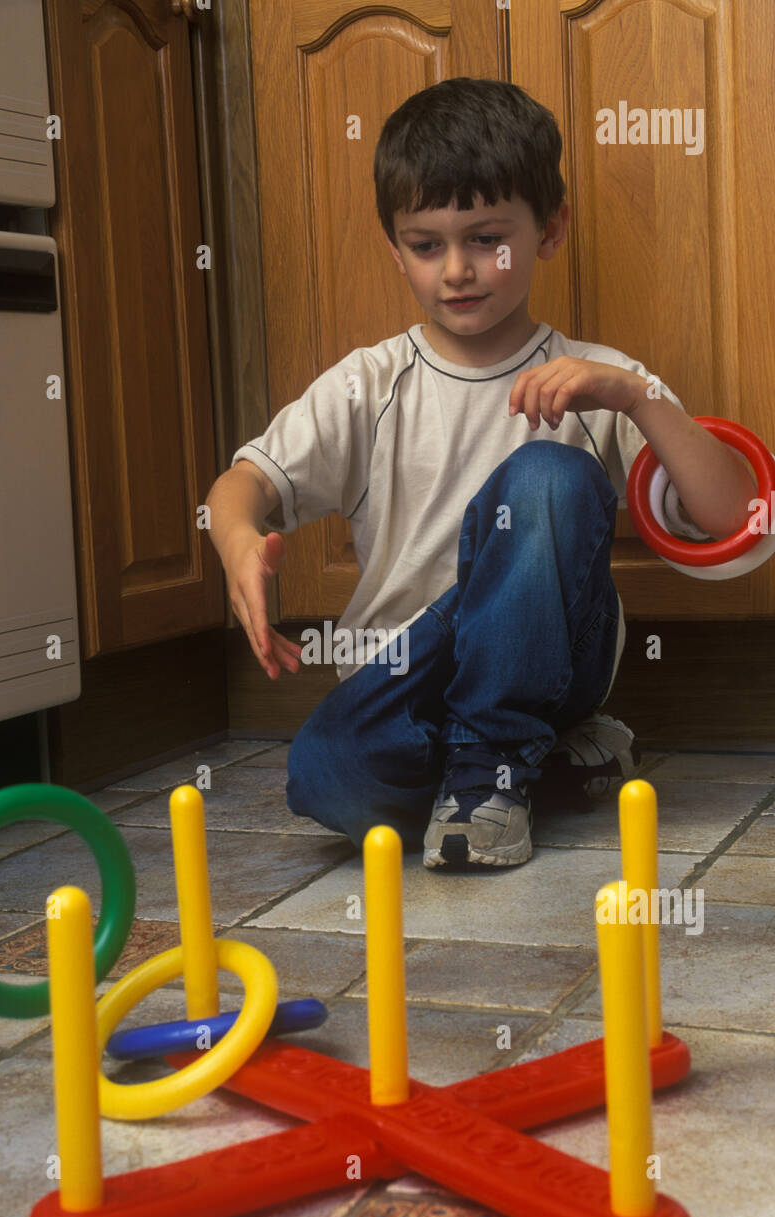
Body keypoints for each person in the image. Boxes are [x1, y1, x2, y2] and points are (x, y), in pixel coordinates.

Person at [206, 78, 754, 868]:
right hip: (407, 670)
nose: (457, 270)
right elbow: (243, 485)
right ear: (396, 251)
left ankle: (494, 761)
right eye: (426, 246)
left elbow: (735, 519)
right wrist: (235, 541)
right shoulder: (372, 382)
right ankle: (527, 770)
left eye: (486, 240)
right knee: (326, 778)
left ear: (550, 229)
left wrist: (637, 401)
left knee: (546, 476)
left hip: (552, 665)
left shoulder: (598, 378)